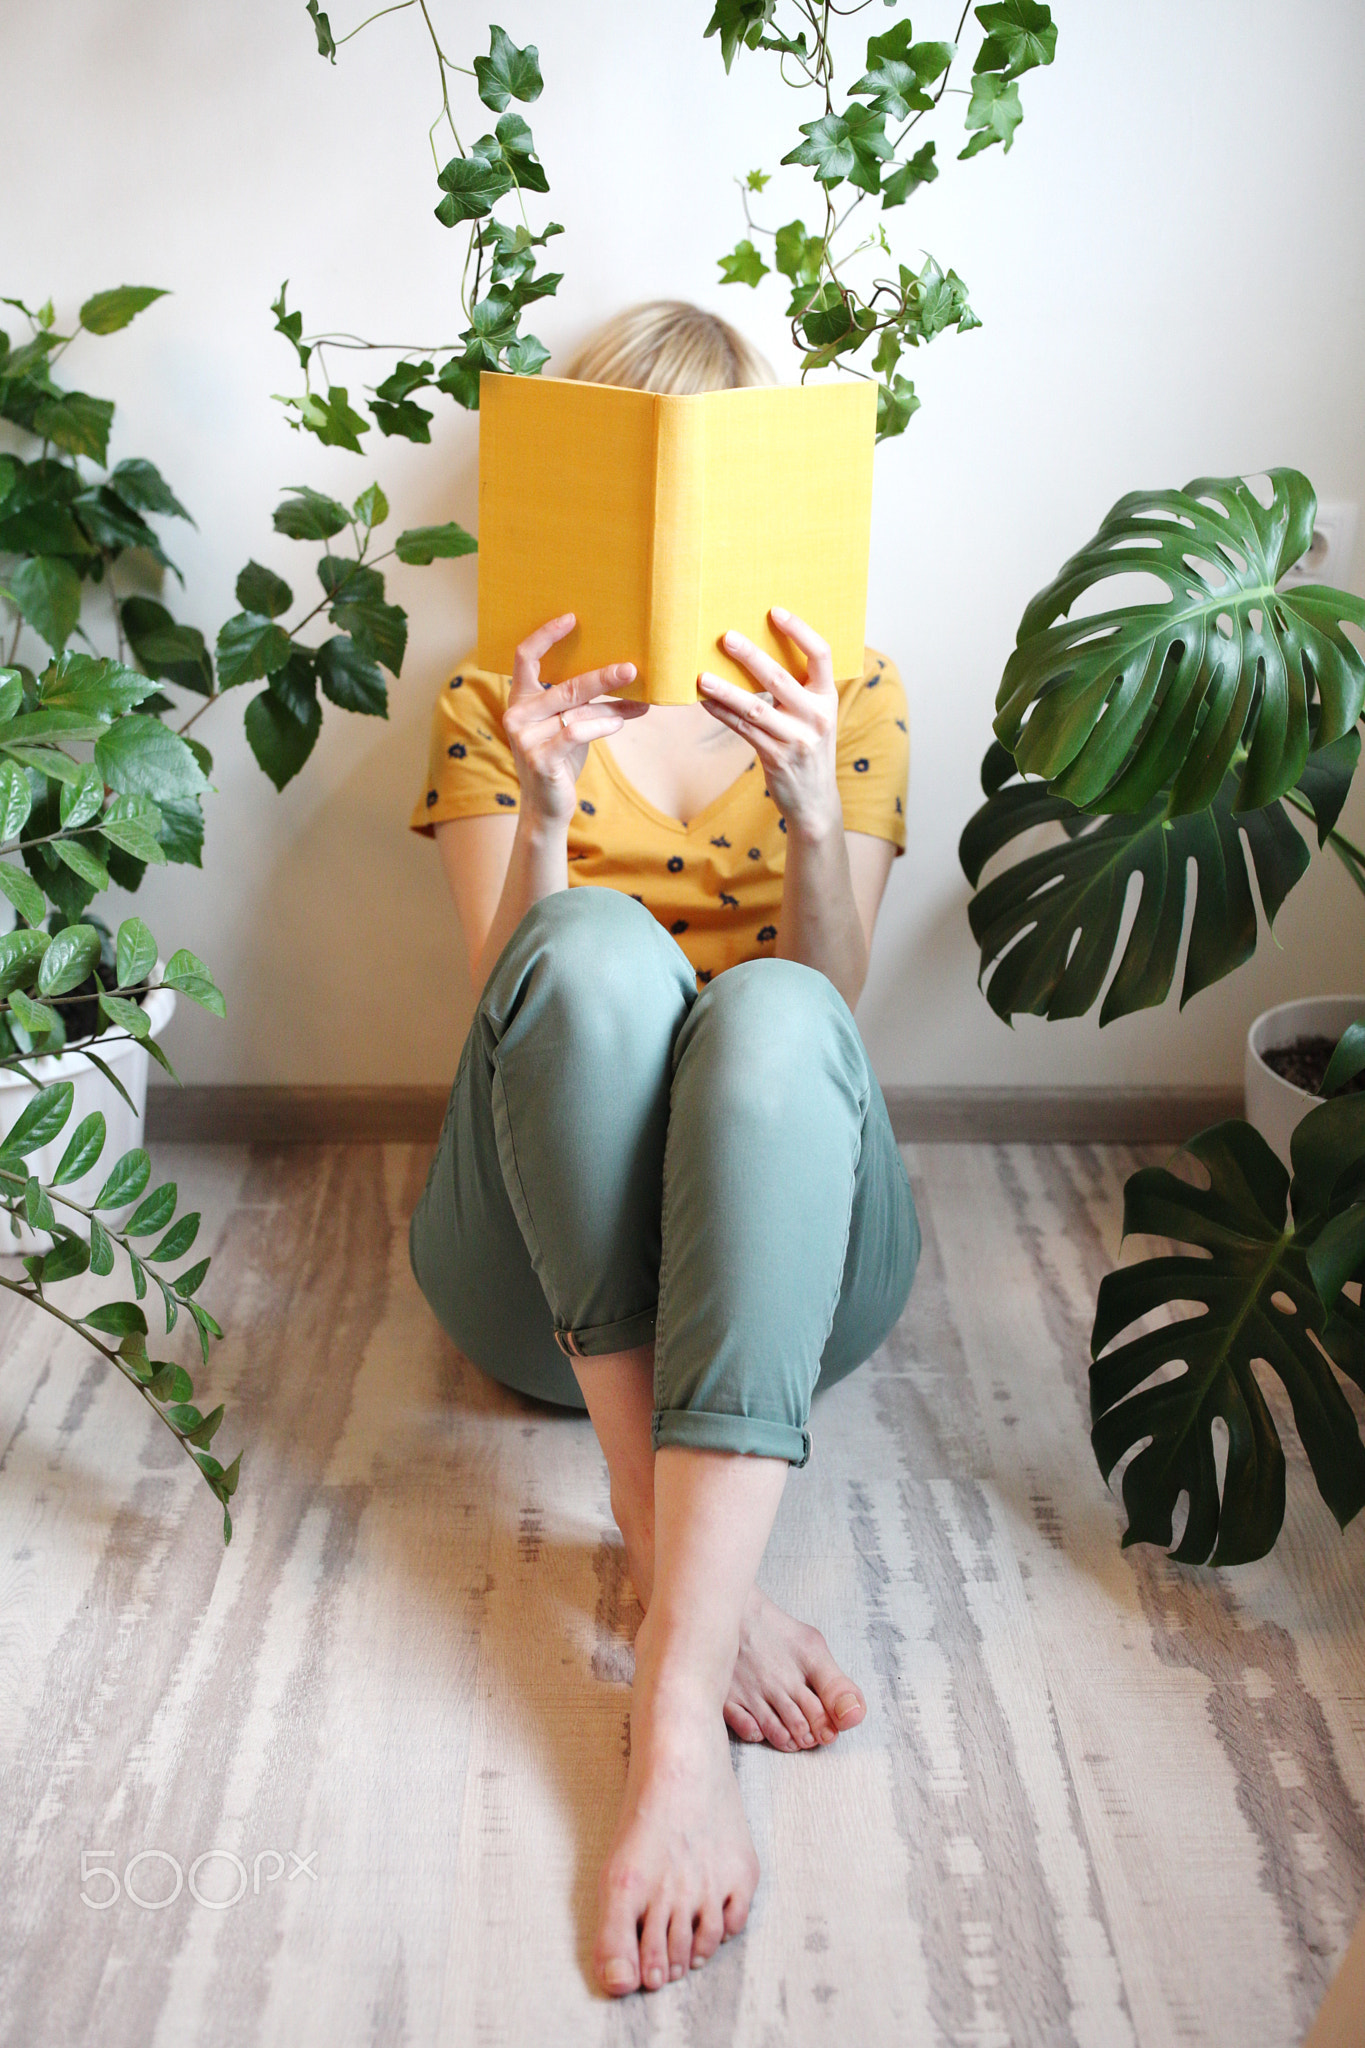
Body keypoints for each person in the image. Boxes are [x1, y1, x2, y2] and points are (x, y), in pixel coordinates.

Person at [408, 300, 920, 1997]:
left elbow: (836, 1006)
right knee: (593, 954)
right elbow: (509, 1020)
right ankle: (671, 1553)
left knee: (772, 1018)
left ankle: (670, 1717)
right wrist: (547, 812)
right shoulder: (501, 695)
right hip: (534, 1281)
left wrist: (801, 805)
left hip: (782, 1265)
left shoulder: (837, 687)